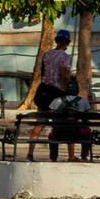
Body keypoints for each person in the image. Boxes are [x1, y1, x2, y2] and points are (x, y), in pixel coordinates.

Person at [27, 28, 72, 161]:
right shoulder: (65, 57)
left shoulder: (47, 54)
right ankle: (60, 156)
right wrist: (66, 87)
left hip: (44, 93)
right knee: (61, 126)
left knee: (39, 125)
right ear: (67, 43)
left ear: (56, 41)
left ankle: (30, 153)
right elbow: (64, 75)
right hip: (57, 94)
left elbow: (43, 72)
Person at [47, 77, 94, 162]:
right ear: (77, 90)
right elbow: (86, 119)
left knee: (51, 134)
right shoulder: (84, 101)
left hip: (58, 134)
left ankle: (53, 157)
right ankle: (84, 156)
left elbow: (51, 116)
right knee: (87, 132)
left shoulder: (57, 100)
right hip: (77, 134)